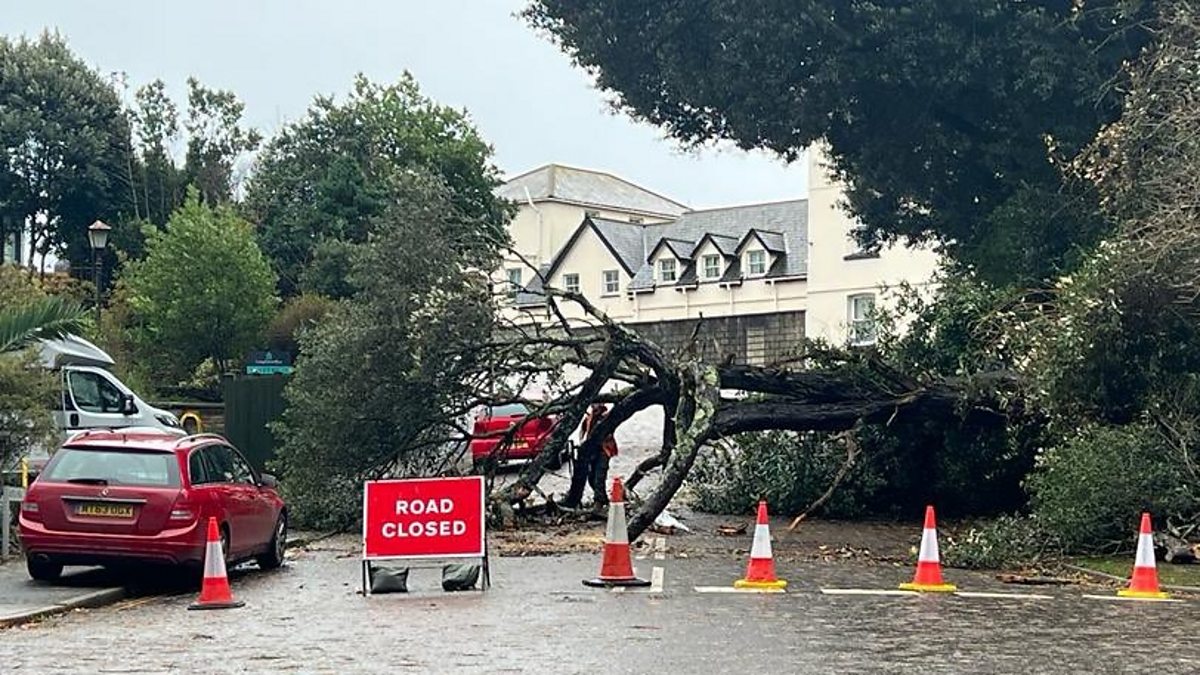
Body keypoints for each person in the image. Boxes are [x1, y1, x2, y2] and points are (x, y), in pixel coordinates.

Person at [561, 403, 619, 509]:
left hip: (604, 450)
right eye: (593, 405)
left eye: (596, 405)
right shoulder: (589, 417)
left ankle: (599, 502)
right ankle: (603, 499)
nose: (594, 407)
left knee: (599, 477)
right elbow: (583, 431)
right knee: (591, 477)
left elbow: (610, 432)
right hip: (591, 450)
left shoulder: (607, 417)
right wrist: (581, 442)